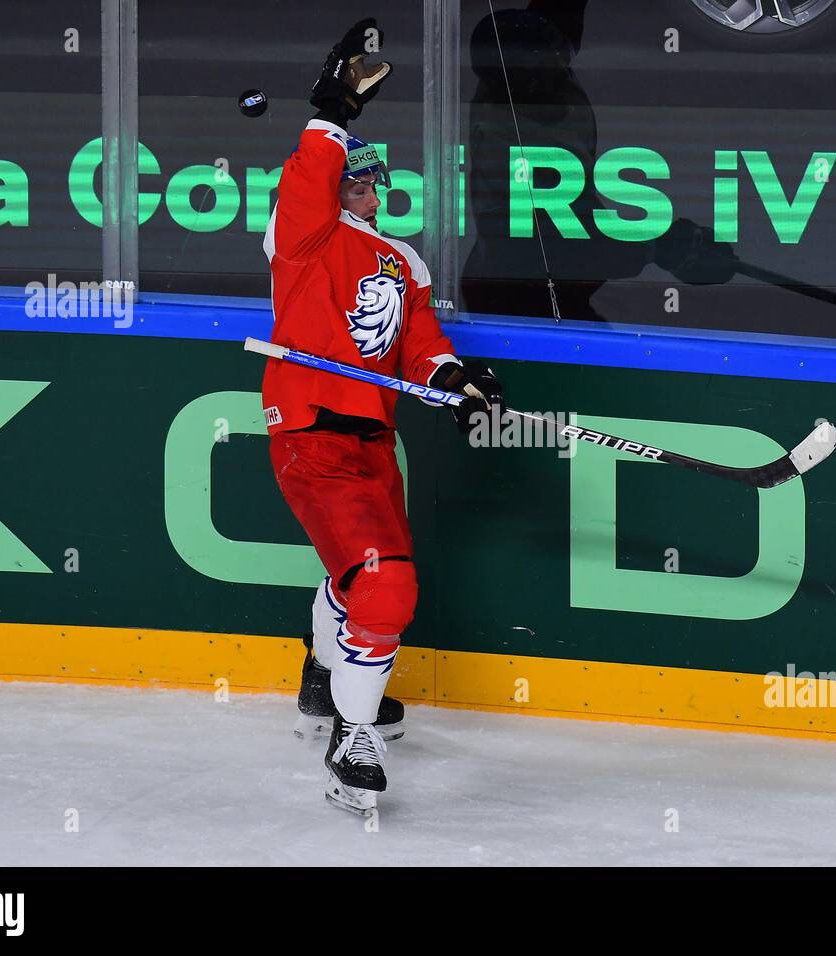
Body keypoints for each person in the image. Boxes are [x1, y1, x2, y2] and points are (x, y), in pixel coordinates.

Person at [260, 19, 503, 814]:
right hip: (310, 431)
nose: (373, 192)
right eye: (359, 182)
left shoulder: (402, 260)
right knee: (388, 585)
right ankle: (351, 738)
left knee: (360, 577)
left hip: (373, 444)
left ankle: (323, 679)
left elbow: (422, 348)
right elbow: (310, 173)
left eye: (374, 184)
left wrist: (459, 380)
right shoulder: (303, 241)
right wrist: (334, 112)